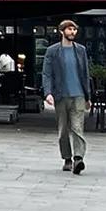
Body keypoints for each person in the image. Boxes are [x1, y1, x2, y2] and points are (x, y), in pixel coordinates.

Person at [41, 19, 92, 175]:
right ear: (62, 31)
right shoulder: (52, 51)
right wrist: (48, 93)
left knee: (77, 127)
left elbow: (85, 73)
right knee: (63, 130)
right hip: (61, 95)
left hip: (78, 95)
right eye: (69, 29)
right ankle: (67, 158)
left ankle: (78, 158)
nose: (72, 32)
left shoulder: (81, 50)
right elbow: (47, 73)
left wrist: (88, 96)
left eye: (74, 29)